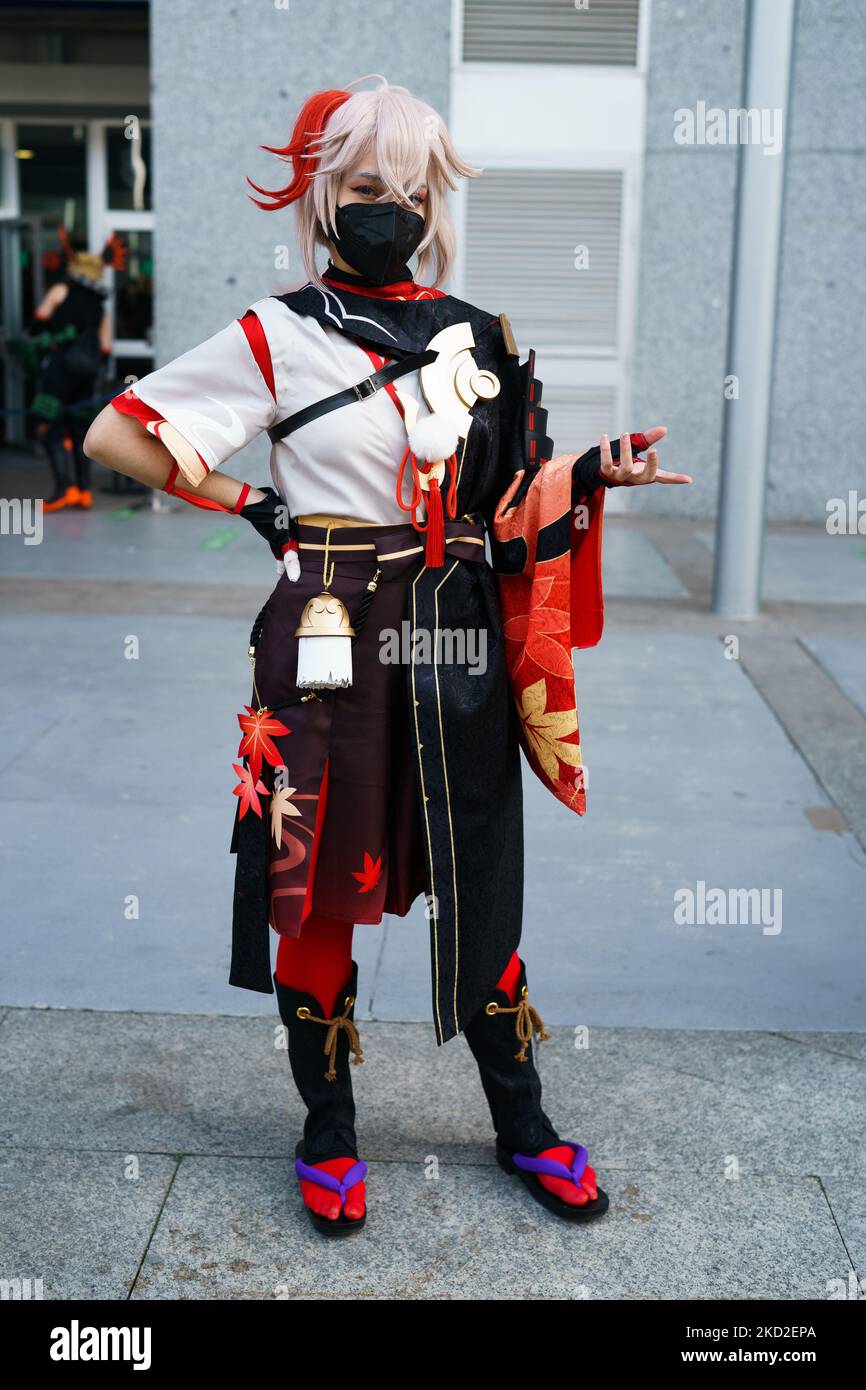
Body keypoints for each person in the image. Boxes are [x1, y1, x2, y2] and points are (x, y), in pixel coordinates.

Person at [85, 77, 691, 1237]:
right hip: (323, 635)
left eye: (412, 190)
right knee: (316, 889)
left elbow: (513, 507)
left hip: (451, 630)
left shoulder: (484, 338)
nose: (392, 208)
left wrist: (597, 471)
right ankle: (326, 1131)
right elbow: (117, 430)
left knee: (475, 881)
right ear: (324, 195)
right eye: (368, 187)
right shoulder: (277, 330)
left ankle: (522, 1123)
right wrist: (253, 504)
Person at [32, 229, 119, 511]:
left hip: (59, 371)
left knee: (49, 427)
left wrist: (47, 336)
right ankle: (84, 492)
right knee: (80, 431)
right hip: (87, 373)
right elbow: (106, 345)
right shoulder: (98, 305)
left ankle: (62, 489)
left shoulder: (62, 290)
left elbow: (39, 320)